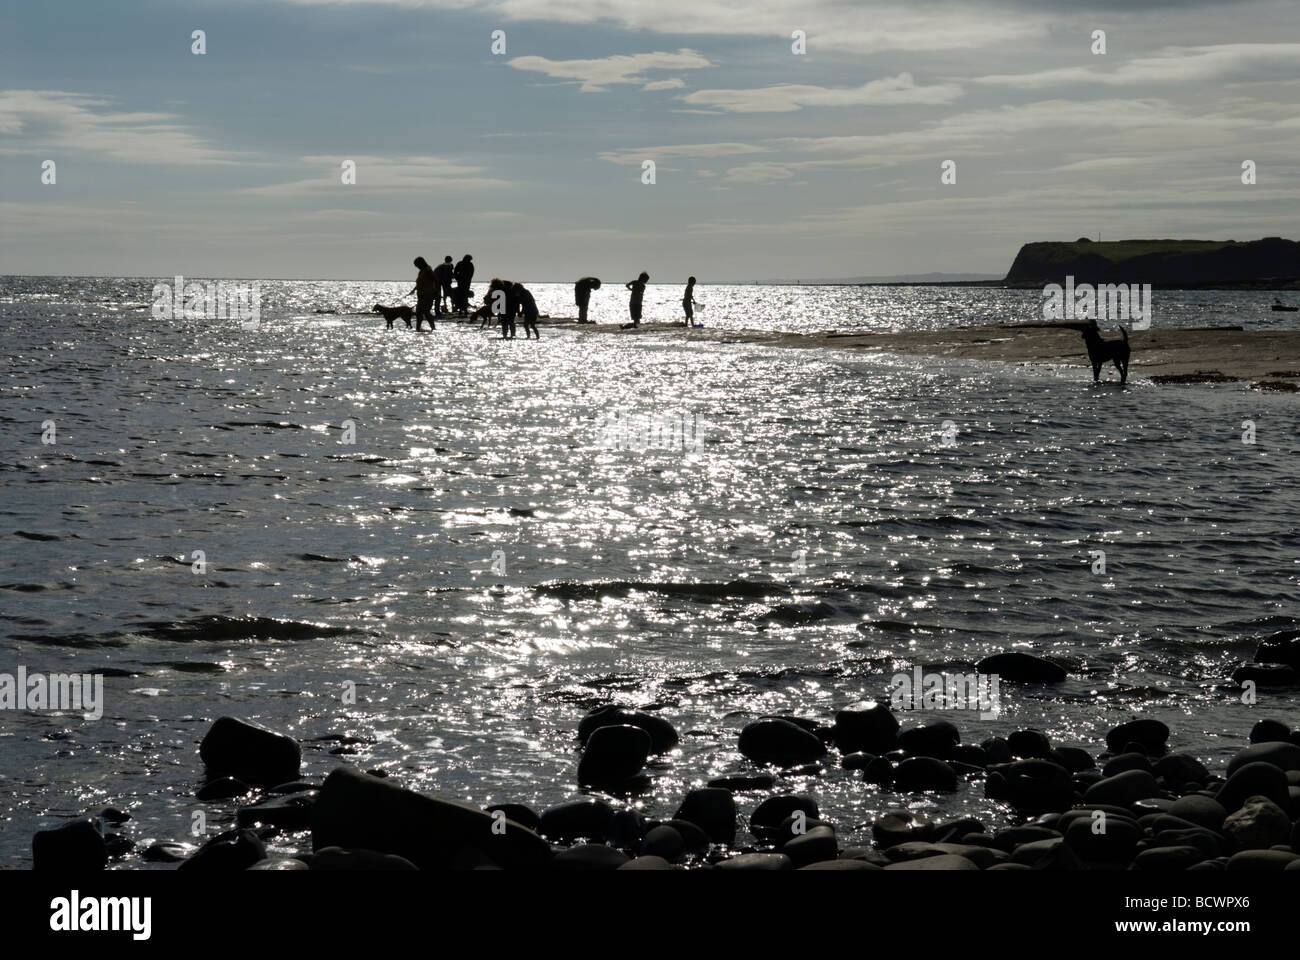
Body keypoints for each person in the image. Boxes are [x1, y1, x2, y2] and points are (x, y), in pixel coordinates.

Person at [408, 256, 438, 331]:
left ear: (421, 263)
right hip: (421, 294)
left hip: (428, 294)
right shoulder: (421, 271)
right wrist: (414, 290)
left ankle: (433, 328)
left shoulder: (428, 270)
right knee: (419, 312)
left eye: (417, 265)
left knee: (425, 312)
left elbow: (435, 280)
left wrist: (435, 292)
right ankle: (418, 328)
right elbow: (419, 283)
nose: (416, 267)